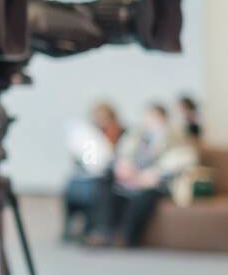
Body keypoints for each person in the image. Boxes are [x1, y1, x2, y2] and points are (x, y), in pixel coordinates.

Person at [86, 103, 197, 247]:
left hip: (154, 181)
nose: (149, 121)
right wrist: (123, 165)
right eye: (147, 117)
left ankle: (126, 236)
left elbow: (185, 157)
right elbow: (122, 153)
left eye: (154, 118)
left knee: (144, 196)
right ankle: (102, 231)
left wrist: (155, 172)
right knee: (105, 183)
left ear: (163, 119)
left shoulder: (175, 135)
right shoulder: (136, 134)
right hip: (130, 178)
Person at [62, 101, 123, 240]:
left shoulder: (118, 132)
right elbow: (89, 159)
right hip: (94, 173)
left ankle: (97, 229)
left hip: (112, 175)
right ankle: (72, 228)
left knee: (99, 188)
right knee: (74, 184)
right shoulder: (91, 134)